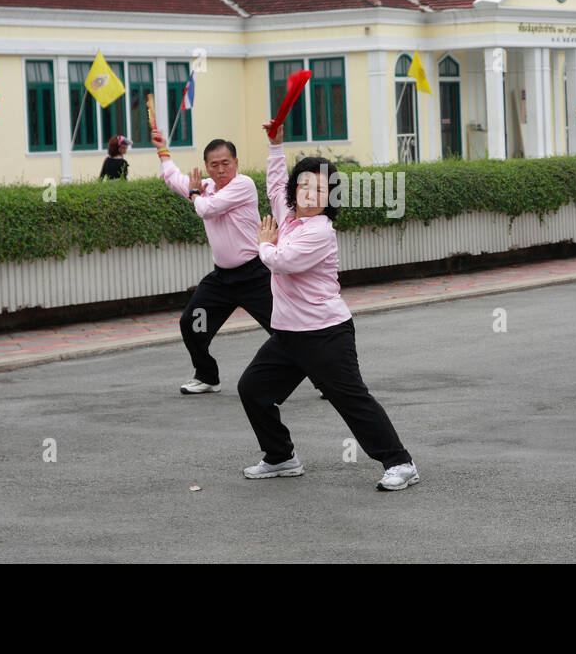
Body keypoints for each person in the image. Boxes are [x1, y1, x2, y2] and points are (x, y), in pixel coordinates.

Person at [235, 119, 418, 491]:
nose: (309, 192)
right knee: (252, 389)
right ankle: (280, 457)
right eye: (303, 185)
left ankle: (401, 463)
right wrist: (275, 146)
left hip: (324, 334)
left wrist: (263, 243)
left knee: (350, 399)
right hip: (287, 335)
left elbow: (282, 261)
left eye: (319, 188)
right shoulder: (288, 218)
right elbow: (274, 183)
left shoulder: (319, 231)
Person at [153, 128, 273, 394]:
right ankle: (207, 376)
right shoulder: (204, 188)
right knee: (191, 323)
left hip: (256, 275)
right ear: (206, 166)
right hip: (222, 280)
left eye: (225, 163)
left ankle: (325, 379)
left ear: (236, 164)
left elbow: (207, 209)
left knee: (286, 329)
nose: (220, 170)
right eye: (214, 165)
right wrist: (163, 150)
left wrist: (195, 193)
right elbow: (174, 180)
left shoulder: (243, 185)